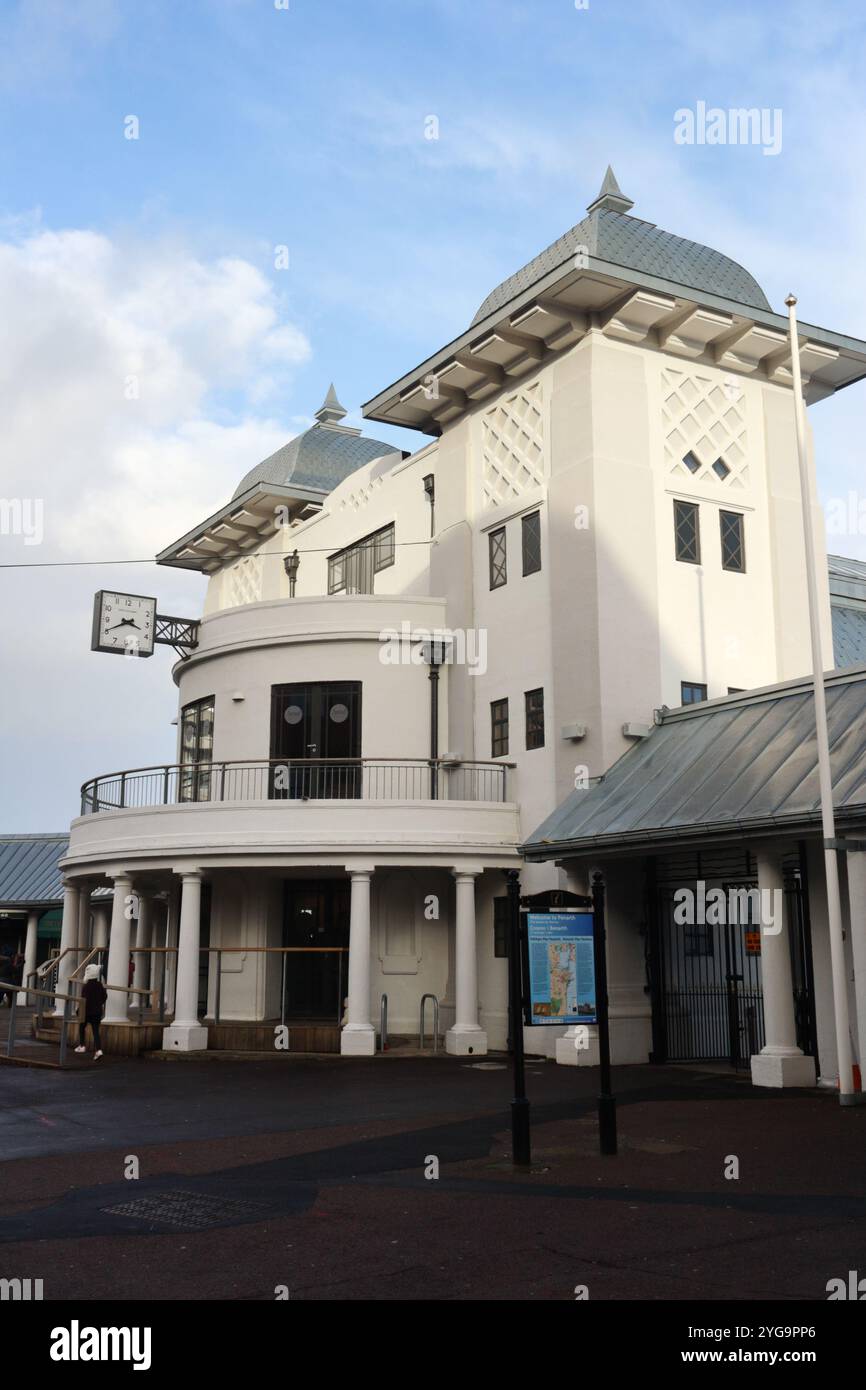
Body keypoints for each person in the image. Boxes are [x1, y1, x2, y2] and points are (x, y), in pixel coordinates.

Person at [75, 964, 107, 1060]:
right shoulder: (99, 985)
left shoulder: (86, 987)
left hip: (87, 1012)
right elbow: (105, 996)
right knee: (95, 1031)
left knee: (82, 1026)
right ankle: (98, 1050)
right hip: (97, 1012)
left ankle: (82, 1045)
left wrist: (78, 1011)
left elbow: (84, 1000)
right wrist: (99, 1003)